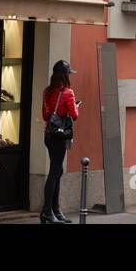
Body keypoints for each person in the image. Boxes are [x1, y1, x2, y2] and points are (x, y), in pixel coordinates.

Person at [40, 60, 79, 223]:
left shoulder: (47, 91)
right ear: (65, 75)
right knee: (55, 172)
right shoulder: (68, 93)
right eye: (69, 73)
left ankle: (55, 210)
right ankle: (48, 212)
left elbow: (45, 115)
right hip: (60, 136)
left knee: (58, 171)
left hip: (49, 135)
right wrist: (76, 107)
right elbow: (74, 115)